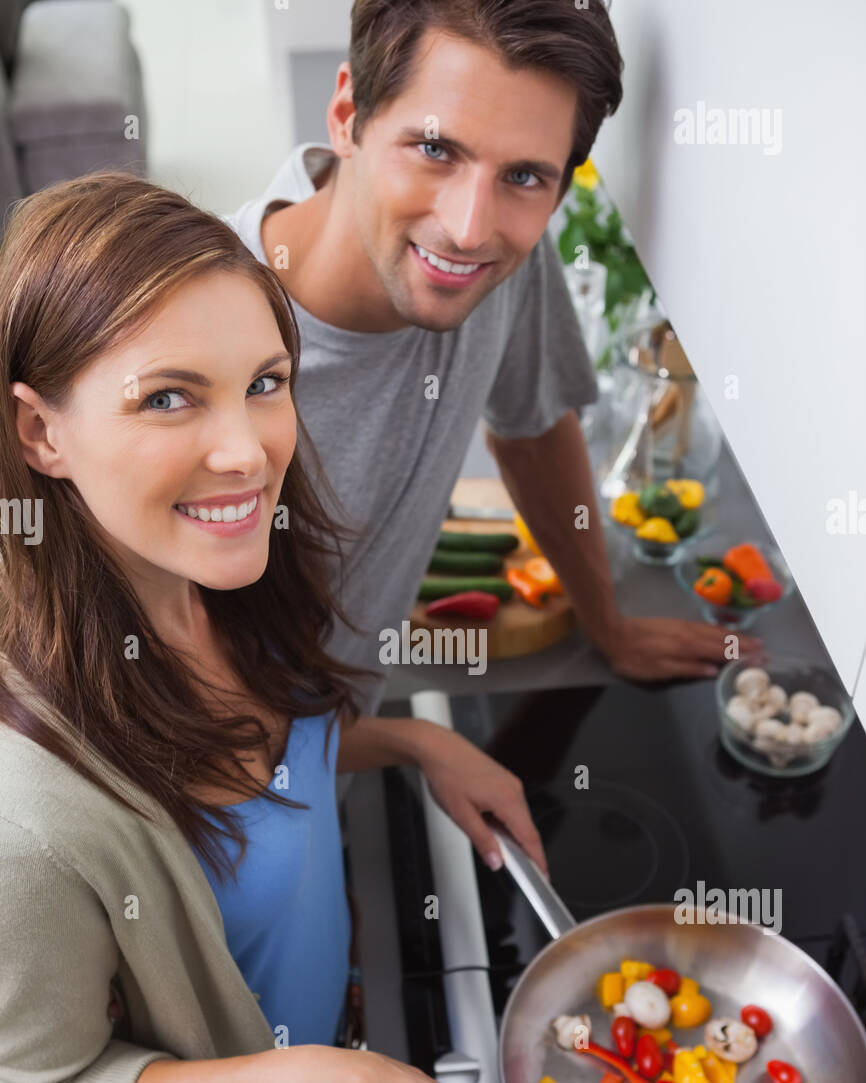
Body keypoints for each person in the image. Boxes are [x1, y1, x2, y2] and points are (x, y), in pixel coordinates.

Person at [0, 171, 556, 1083]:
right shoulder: (31, 809)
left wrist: (405, 744)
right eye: (168, 398)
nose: (248, 451)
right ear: (40, 430)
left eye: (264, 383)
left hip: (327, 1049)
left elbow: (259, 767)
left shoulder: (231, 575)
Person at [223, 0, 759, 707]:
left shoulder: (500, 267)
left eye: (525, 177)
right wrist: (400, 745)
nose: (469, 228)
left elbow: (533, 431)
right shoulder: (200, 340)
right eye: (436, 150)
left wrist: (607, 624)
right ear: (348, 113)